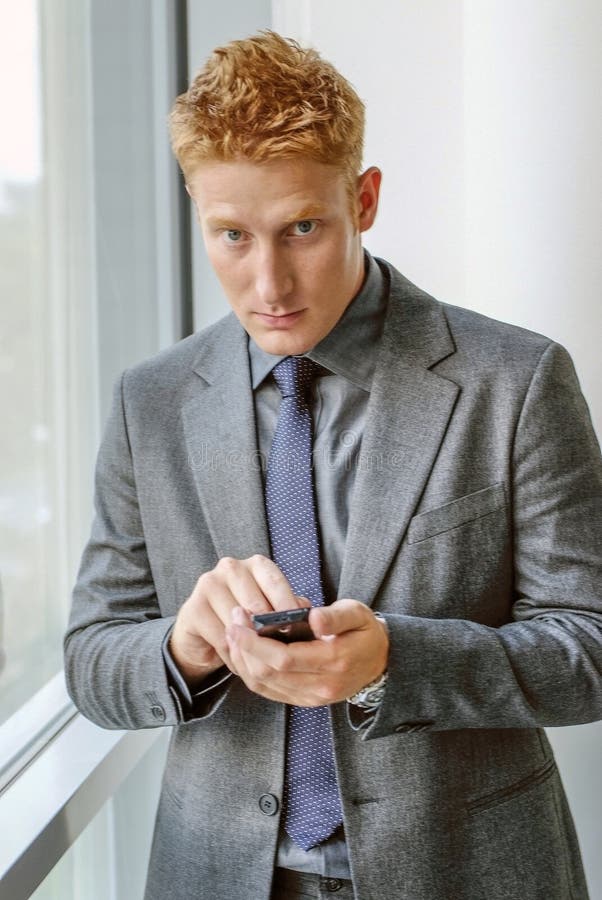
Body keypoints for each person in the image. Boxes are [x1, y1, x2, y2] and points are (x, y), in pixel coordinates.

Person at [64, 30, 602, 900]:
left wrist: (400, 658)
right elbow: (92, 659)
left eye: (302, 228)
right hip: (217, 876)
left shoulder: (518, 380)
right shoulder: (150, 403)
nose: (267, 284)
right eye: (231, 235)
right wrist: (184, 647)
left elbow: (591, 646)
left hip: (467, 873)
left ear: (367, 197)